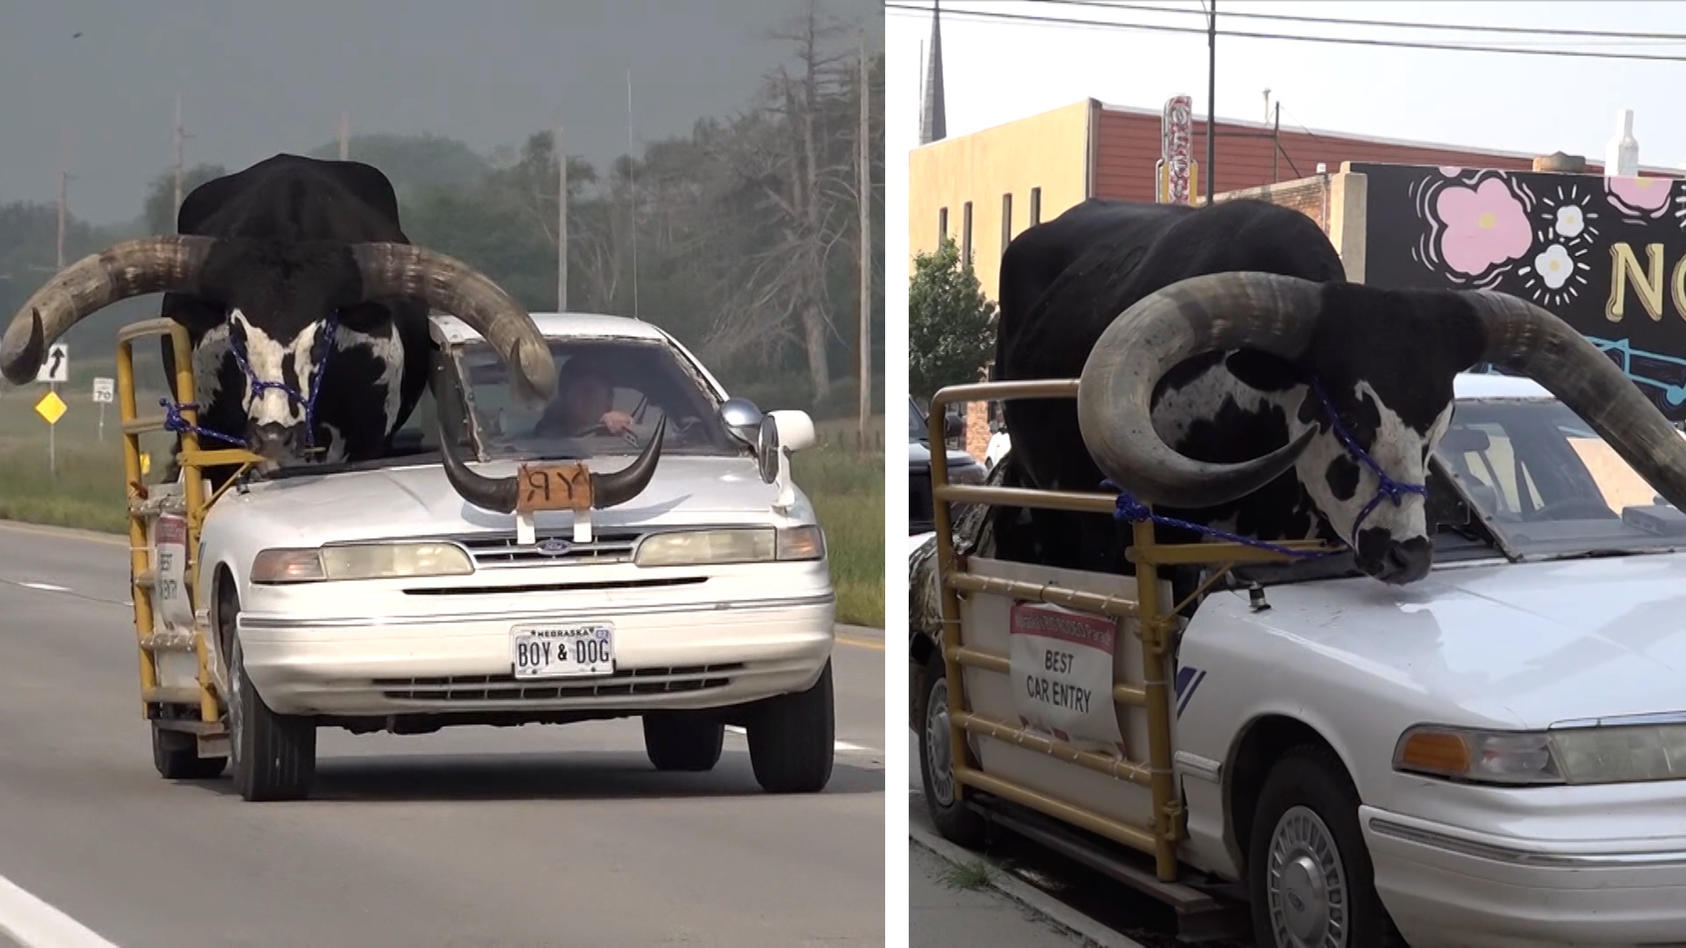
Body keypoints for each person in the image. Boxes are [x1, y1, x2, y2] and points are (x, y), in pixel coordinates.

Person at [533, 369, 646, 444]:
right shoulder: (543, 438)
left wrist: (626, 427)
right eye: (578, 392)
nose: (586, 399)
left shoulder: (623, 434)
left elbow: (650, 441)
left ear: (608, 401)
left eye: (591, 392)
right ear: (565, 399)